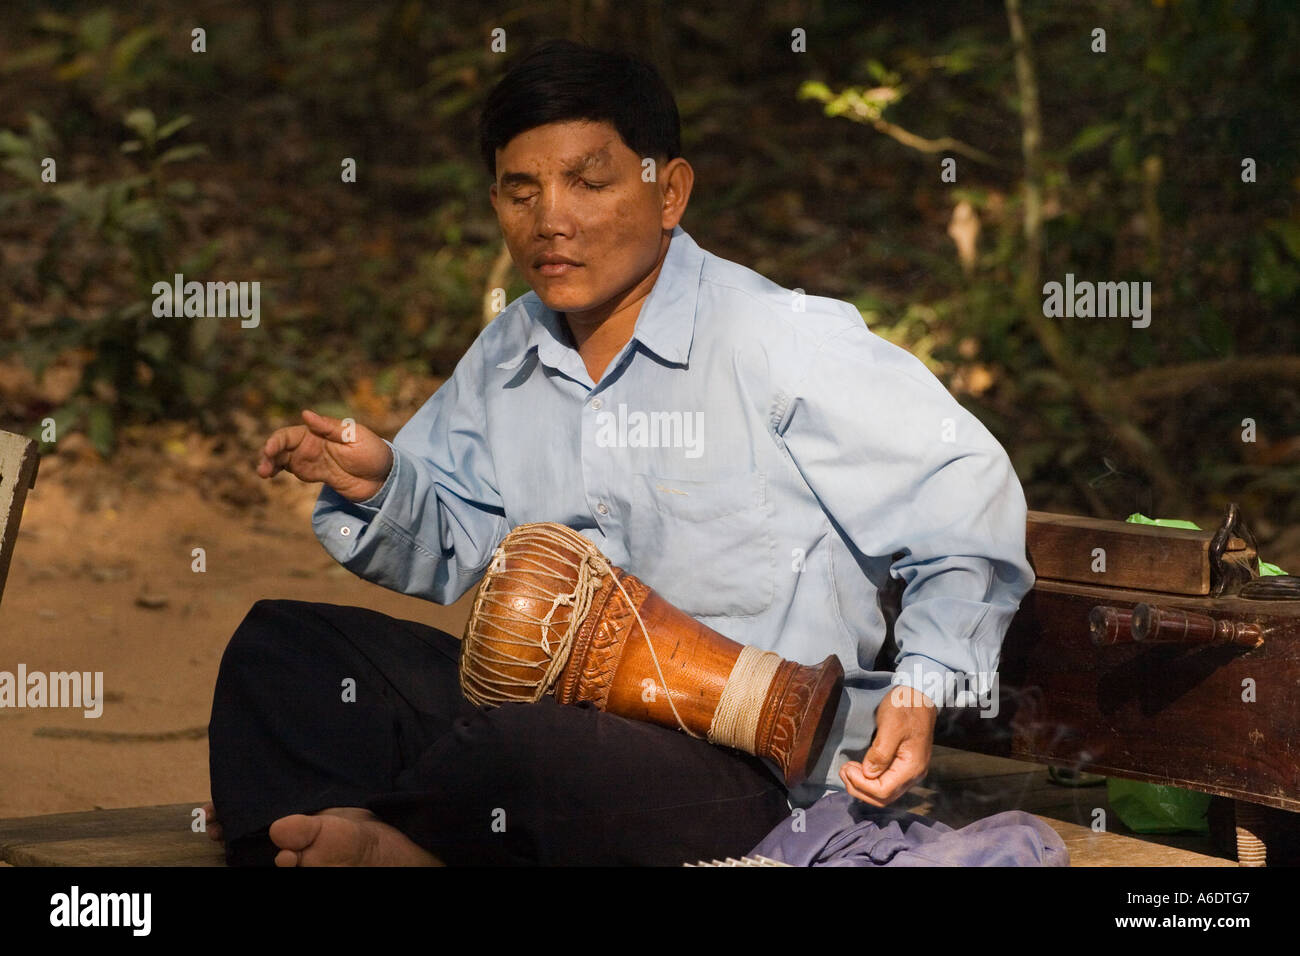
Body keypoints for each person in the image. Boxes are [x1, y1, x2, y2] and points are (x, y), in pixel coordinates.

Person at [205, 38, 1034, 867]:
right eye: (520, 192)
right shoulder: (508, 353)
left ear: (668, 191)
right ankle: (369, 836)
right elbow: (460, 544)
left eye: (589, 183)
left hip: (748, 769)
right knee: (285, 650)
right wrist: (385, 484)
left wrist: (926, 678)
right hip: (549, 723)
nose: (550, 220)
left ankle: (384, 836)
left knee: (526, 755)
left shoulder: (779, 340)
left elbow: (964, 494)